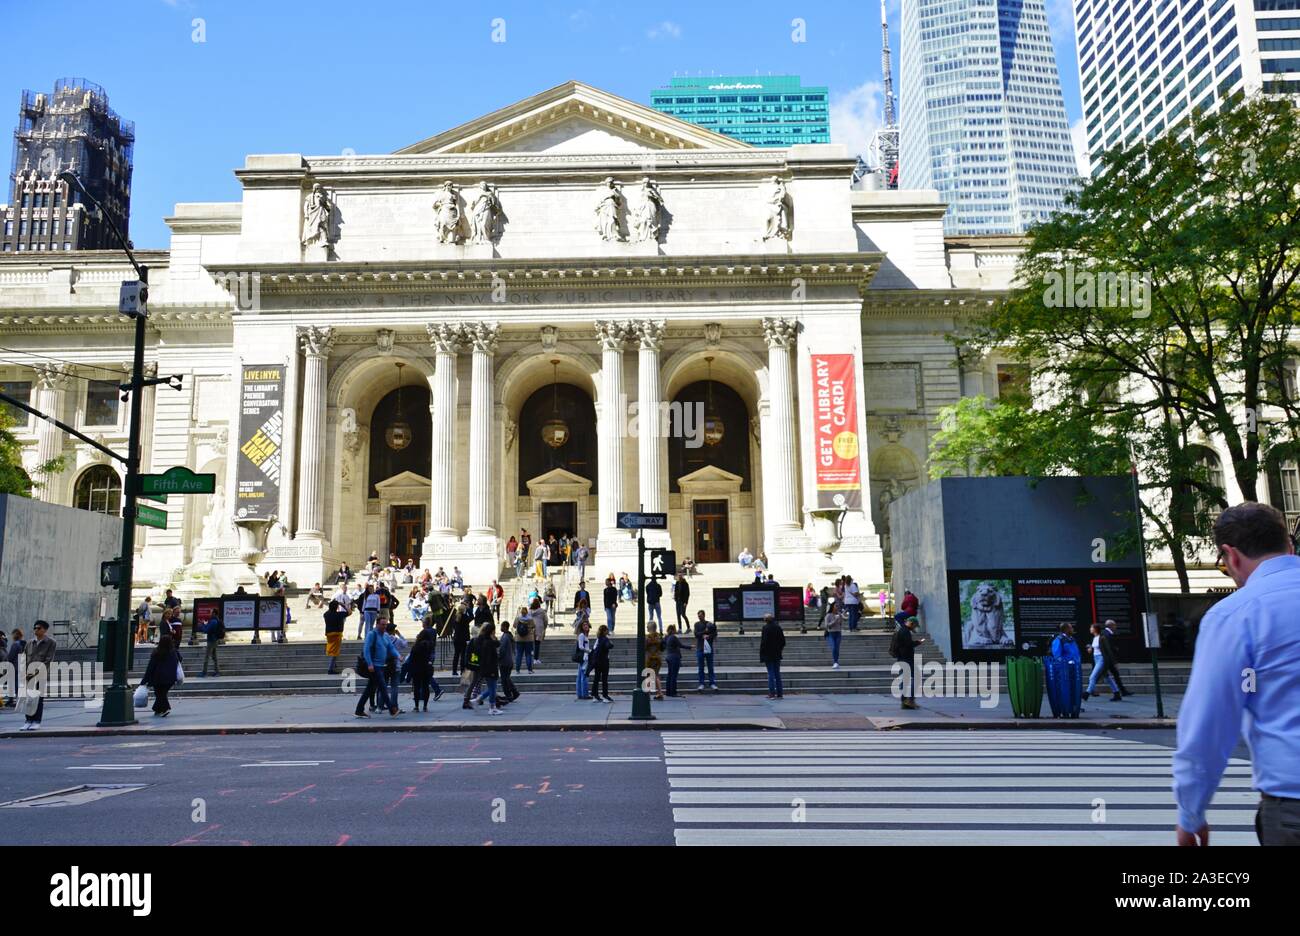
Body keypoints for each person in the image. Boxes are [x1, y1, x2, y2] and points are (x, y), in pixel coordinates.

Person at [1174, 502, 1300, 846]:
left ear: (1230, 556)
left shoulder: (1235, 615)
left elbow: (1208, 726)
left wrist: (1191, 813)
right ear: (1289, 545)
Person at [355, 617, 400, 718]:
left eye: (385, 624)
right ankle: (392, 709)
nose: (384, 626)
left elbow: (391, 648)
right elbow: (366, 650)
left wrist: (398, 655)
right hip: (375, 666)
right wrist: (370, 663)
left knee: (370, 689)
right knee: (383, 687)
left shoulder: (386, 636)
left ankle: (359, 709)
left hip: (381, 666)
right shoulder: (372, 634)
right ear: (377, 624)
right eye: (382, 624)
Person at [20, 621, 55, 730]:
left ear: (44, 630)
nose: (36, 630)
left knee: (38, 699)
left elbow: (48, 660)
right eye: (34, 628)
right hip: (28, 675)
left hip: (41, 675)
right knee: (28, 699)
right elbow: (23, 658)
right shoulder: (29, 643)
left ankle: (36, 721)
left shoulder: (50, 642)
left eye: (38, 628)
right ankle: (28, 720)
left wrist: (34, 673)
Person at [140, 633, 181, 718]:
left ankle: (165, 708)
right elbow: (180, 659)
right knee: (162, 693)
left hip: (158, 678)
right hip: (170, 678)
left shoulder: (157, 652)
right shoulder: (173, 652)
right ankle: (157, 709)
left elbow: (150, 667)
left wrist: (144, 680)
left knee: (160, 694)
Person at [891, 616, 925, 710]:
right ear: (911, 623)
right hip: (906, 658)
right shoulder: (905, 631)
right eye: (914, 626)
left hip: (902, 658)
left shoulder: (901, 630)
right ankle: (910, 700)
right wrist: (918, 642)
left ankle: (905, 701)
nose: (914, 628)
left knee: (905, 679)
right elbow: (908, 645)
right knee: (916, 678)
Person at [1083, 622, 1122, 702]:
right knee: (1107, 677)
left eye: (1091, 628)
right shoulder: (1094, 638)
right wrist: (1090, 648)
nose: (1090, 629)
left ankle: (1086, 694)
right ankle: (1117, 693)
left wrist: (1114, 662)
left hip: (1101, 659)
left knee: (1092, 677)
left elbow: (1108, 650)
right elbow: (1093, 647)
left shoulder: (1102, 638)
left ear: (1095, 629)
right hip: (1096, 659)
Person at [471, 622, 504, 715]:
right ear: (491, 631)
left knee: (491, 688)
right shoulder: (488, 642)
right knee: (492, 688)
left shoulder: (486, 640)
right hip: (490, 668)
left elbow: (497, 644)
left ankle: (477, 700)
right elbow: (489, 657)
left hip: (487, 668)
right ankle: (492, 708)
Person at [1100, 619, 1133, 696]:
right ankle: (1088, 692)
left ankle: (1122, 691)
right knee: (1098, 676)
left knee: (1115, 675)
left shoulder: (1106, 633)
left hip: (1108, 659)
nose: (1116, 626)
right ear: (1111, 626)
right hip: (1108, 660)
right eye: (1114, 625)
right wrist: (1114, 662)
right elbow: (1108, 649)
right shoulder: (1106, 634)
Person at [759, 612, 786, 700]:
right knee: (777, 673)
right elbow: (783, 641)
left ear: (765, 620)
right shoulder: (778, 627)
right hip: (777, 653)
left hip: (768, 654)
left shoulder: (765, 628)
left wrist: (762, 653)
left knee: (770, 673)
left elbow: (764, 642)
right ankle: (780, 693)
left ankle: (772, 693)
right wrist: (779, 649)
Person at [588, 624, 613, 703]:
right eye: (607, 630)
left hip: (597, 662)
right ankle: (605, 696)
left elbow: (594, 649)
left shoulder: (598, 639)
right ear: (605, 631)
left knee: (596, 678)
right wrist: (610, 644)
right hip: (604, 662)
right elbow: (610, 646)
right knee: (604, 679)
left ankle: (595, 695)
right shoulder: (605, 639)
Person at [694, 610, 718, 691]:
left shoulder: (709, 624)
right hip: (700, 648)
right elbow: (696, 634)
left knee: (710, 667)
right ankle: (701, 683)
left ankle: (712, 683)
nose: (699, 617)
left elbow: (714, 634)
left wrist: (708, 636)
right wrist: (705, 632)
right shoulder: (696, 624)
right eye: (698, 616)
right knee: (701, 667)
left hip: (708, 648)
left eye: (700, 615)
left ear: (704, 615)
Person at [497, 622, 519, 704]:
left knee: (504, 679)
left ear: (505, 627)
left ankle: (509, 694)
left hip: (505, 661)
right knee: (506, 678)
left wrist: (498, 657)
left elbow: (502, 650)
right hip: (508, 660)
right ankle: (513, 692)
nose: (500, 628)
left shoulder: (505, 637)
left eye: (502, 626)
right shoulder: (508, 636)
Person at [322, 600, 346, 674]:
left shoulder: (326, 614)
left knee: (331, 649)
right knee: (335, 652)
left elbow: (329, 611)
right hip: (337, 634)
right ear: (337, 607)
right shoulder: (340, 614)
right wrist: (343, 605)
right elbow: (350, 612)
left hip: (329, 634)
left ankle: (333, 665)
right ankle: (330, 669)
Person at [200, 611, 225, 678]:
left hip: (211, 641)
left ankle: (204, 673)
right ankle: (217, 672)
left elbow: (206, 630)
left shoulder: (213, 621)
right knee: (214, 657)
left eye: (211, 612)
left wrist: (202, 625)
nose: (210, 613)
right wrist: (205, 624)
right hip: (215, 640)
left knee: (207, 657)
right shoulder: (216, 620)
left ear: (214, 613)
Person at [450, 599, 472, 675]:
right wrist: (468, 608)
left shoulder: (455, 618)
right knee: (463, 655)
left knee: (456, 655)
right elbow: (472, 617)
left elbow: (453, 626)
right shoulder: (465, 617)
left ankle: (454, 670)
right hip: (463, 638)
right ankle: (462, 670)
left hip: (456, 638)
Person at [663, 624, 685, 697]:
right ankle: (673, 692)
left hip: (668, 657)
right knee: (674, 676)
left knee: (669, 675)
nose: (675, 631)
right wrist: (690, 647)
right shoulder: (673, 637)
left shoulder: (666, 637)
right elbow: (680, 645)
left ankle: (668, 692)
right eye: (674, 629)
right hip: (675, 657)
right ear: (672, 630)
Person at [645, 622, 664, 700]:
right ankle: (659, 693)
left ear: (650, 628)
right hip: (658, 658)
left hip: (650, 658)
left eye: (647, 627)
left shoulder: (648, 638)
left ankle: (647, 693)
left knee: (649, 675)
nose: (646, 628)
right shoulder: (659, 636)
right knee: (656, 675)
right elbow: (662, 648)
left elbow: (644, 647)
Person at [513, 605, 535, 673]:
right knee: (528, 654)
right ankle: (529, 670)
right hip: (529, 639)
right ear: (527, 612)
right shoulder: (530, 619)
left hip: (519, 639)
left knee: (519, 654)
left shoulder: (518, 618)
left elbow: (514, 626)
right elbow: (534, 626)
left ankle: (517, 670)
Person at [823, 596, 843, 669]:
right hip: (831, 633)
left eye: (837, 606)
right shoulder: (828, 615)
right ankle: (835, 662)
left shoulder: (838, 614)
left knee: (837, 648)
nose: (837, 607)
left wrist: (840, 618)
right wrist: (834, 620)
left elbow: (840, 624)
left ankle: (836, 662)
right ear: (832, 607)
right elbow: (826, 626)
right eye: (836, 606)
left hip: (838, 633)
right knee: (834, 647)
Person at [575, 620, 592, 700]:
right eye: (584, 625)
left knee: (580, 675)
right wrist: (588, 651)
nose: (586, 626)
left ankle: (580, 694)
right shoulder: (581, 635)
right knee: (584, 675)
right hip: (584, 657)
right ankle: (584, 694)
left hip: (584, 657)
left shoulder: (585, 635)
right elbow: (581, 646)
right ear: (581, 627)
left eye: (587, 625)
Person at [530, 596, 549, 661]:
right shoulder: (541, 611)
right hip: (539, 628)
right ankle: (536, 659)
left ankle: (532, 651)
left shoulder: (529, 611)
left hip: (531, 628)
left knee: (531, 642)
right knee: (537, 644)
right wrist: (545, 626)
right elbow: (546, 620)